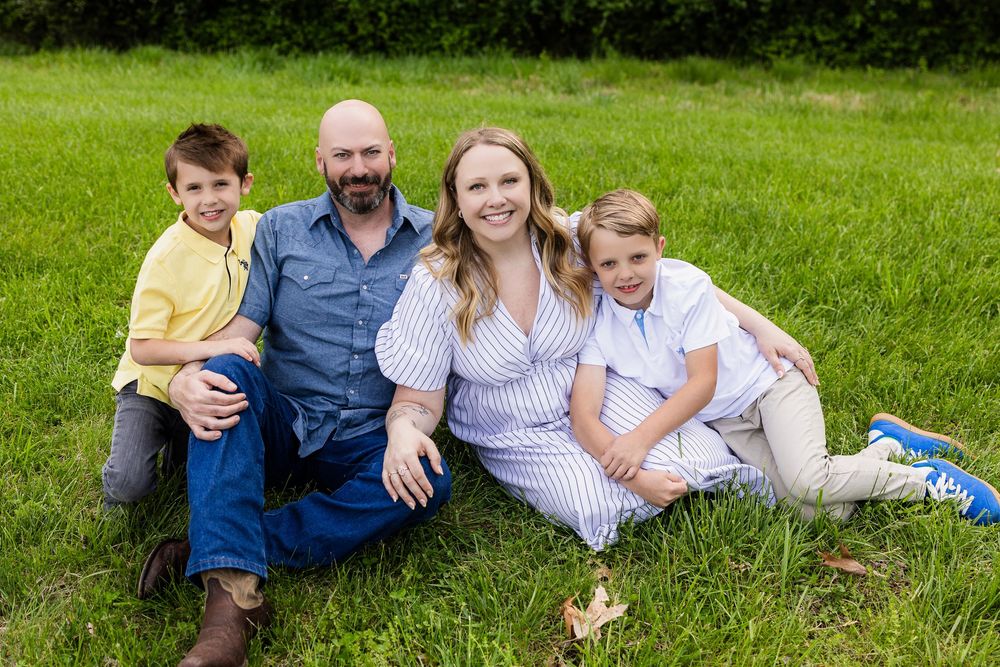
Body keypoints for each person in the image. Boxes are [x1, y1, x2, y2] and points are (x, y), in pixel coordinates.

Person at [138, 101, 451, 667]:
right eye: (342, 155)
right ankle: (232, 611)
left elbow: (529, 230)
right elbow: (239, 331)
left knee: (427, 477)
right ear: (320, 162)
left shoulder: (437, 238)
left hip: (374, 433)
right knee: (226, 374)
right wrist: (189, 377)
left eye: (371, 152)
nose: (359, 167)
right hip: (286, 419)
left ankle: (220, 542)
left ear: (392, 154)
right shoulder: (281, 228)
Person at [376, 127, 791, 552]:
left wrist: (759, 325)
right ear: (457, 200)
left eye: (509, 181)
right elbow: (417, 401)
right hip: (515, 428)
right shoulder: (437, 280)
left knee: (702, 454)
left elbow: (667, 279)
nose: (496, 198)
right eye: (477, 187)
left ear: (532, 184)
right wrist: (403, 431)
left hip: (595, 390)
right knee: (593, 503)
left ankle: (795, 474)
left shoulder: (566, 238)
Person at [571, 188, 999, 525]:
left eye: (638, 258)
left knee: (809, 479)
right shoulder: (597, 324)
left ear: (660, 248)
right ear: (591, 267)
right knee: (823, 511)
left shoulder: (686, 288)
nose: (625, 274)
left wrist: (640, 440)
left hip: (771, 385)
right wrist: (625, 467)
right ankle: (885, 447)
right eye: (609, 264)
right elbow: (584, 417)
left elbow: (703, 382)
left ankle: (926, 481)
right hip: (726, 423)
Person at [104, 123, 260, 509]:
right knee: (130, 485)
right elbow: (142, 348)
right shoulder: (166, 259)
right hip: (151, 385)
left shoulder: (252, 227)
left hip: (208, 377)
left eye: (220, 184)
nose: (209, 200)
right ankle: (115, 494)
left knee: (197, 474)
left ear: (245, 183)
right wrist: (203, 349)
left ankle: (180, 445)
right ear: (174, 194)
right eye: (194, 188)